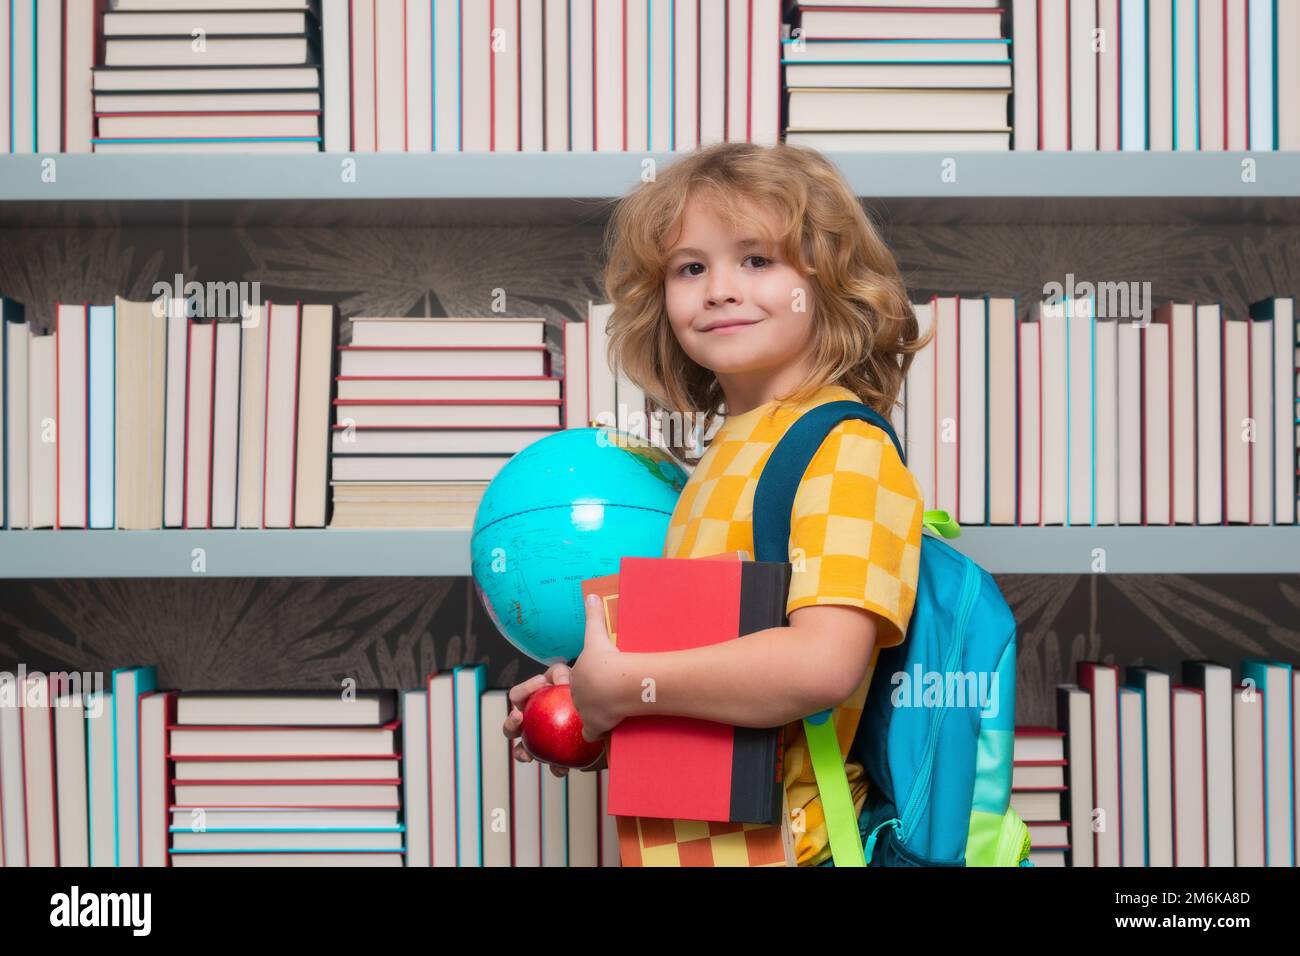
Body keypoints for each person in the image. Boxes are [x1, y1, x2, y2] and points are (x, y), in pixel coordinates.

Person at [502, 141, 930, 866]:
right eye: (690, 267)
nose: (719, 289)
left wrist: (628, 689)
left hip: (801, 852)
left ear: (827, 285)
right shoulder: (719, 459)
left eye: (756, 259)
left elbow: (821, 666)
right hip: (696, 850)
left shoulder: (843, 447)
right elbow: (710, 686)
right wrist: (592, 705)